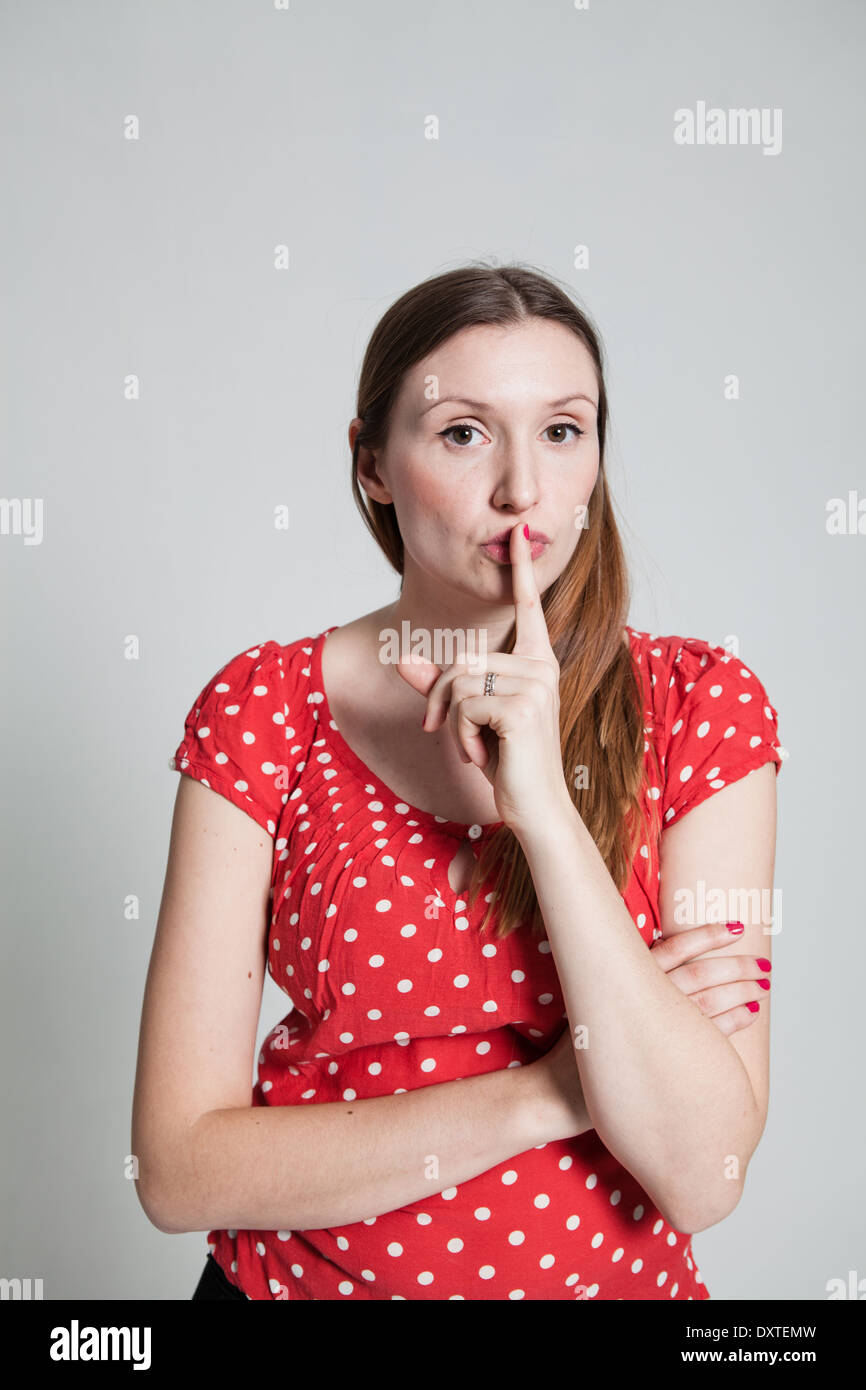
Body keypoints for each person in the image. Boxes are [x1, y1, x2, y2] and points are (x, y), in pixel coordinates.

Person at [132, 262, 783, 1300]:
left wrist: (546, 814)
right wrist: (555, 1092)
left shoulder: (699, 707)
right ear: (374, 465)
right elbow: (176, 1171)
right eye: (462, 432)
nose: (522, 488)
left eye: (562, 431)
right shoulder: (265, 710)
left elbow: (702, 1173)